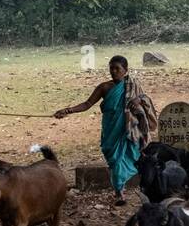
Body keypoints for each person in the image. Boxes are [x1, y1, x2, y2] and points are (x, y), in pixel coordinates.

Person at [54, 55, 156, 205]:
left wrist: (139, 100)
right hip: (110, 129)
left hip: (127, 129)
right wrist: (68, 110)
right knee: (114, 160)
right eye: (111, 68)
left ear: (125, 70)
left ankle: (121, 193)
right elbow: (87, 103)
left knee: (130, 156)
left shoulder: (133, 85)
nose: (114, 71)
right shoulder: (104, 87)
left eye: (117, 69)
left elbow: (144, 99)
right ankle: (119, 191)